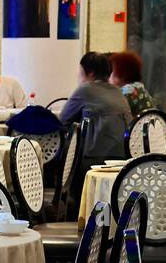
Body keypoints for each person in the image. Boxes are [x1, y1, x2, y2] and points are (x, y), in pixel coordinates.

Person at [59, 52, 132, 193]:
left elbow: (63, 121)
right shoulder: (118, 92)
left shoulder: (85, 90)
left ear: (90, 73)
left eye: (80, 72)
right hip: (123, 158)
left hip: (93, 161)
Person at [109, 51, 155, 118]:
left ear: (123, 75)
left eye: (112, 72)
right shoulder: (139, 87)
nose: (109, 76)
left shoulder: (128, 91)